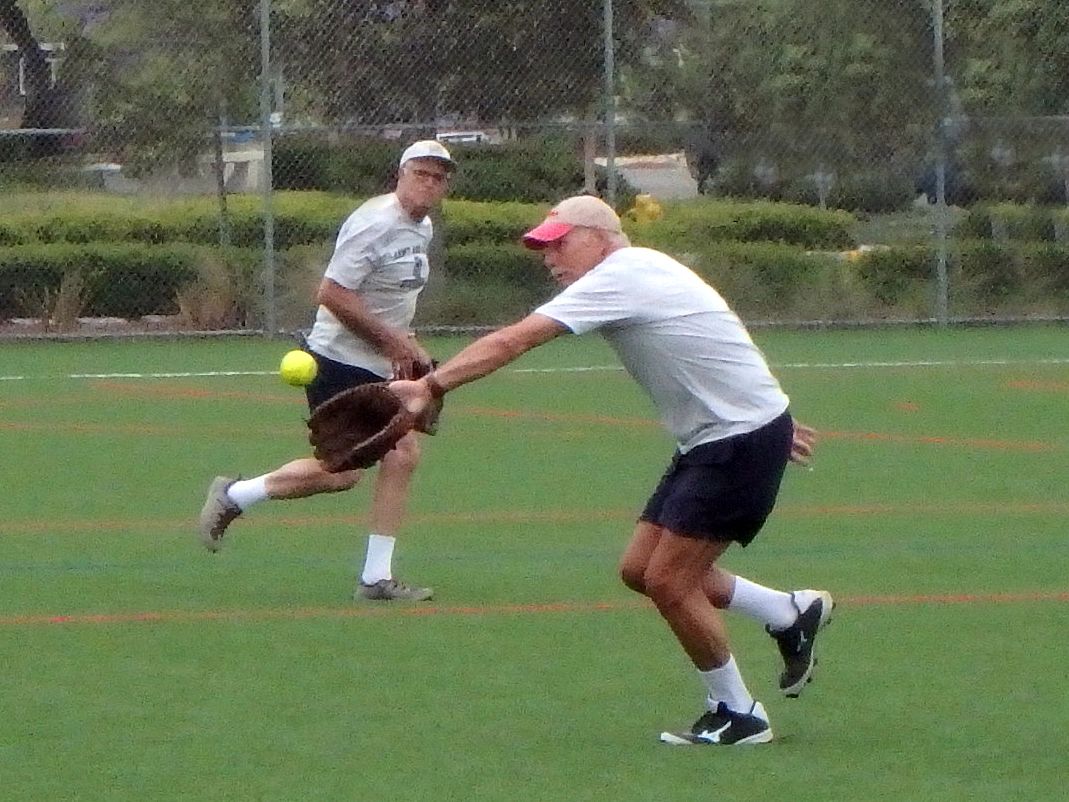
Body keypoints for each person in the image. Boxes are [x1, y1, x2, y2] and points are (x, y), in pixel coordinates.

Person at [390, 194, 834, 744]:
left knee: (669, 581)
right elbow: (712, 333)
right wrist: (769, 411)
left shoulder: (622, 274)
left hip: (736, 441)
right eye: (543, 249)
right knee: (639, 570)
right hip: (725, 435)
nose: (550, 259)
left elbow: (514, 339)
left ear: (600, 237)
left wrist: (430, 385)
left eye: (559, 244)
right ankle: (787, 612)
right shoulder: (642, 269)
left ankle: (738, 713)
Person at [198, 140, 457, 602]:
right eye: (421, 173)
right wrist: (392, 341)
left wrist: (407, 340)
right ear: (400, 175)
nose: (429, 184)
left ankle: (375, 578)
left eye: (438, 178)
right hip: (340, 360)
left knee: (398, 455)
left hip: (381, 361)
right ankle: (236, 495)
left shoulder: (422, 228)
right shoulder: (374, 223)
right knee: (342, 474)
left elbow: (393, 297)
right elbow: (332, 294)